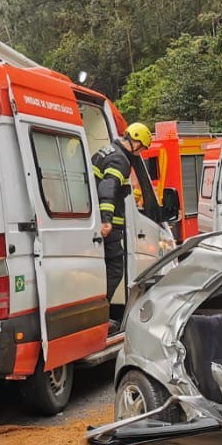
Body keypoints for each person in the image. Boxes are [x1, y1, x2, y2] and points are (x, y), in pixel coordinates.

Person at [93, 121, 154, 317]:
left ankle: (98, 312)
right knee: (115, 269)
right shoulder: (120, 160)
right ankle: (100, 314)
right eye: (142, 148)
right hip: (108, 227)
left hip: (94, 220)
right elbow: (108, 188)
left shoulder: (106, 151)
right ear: (136, 142)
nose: (141, 152)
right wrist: (107, 220)